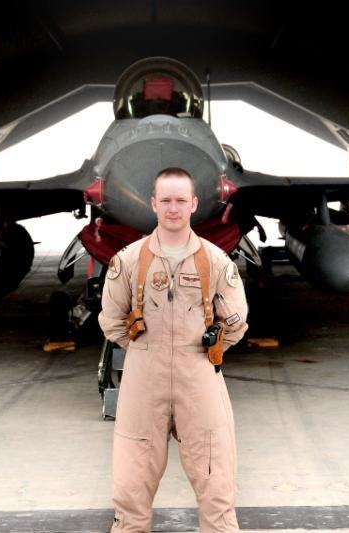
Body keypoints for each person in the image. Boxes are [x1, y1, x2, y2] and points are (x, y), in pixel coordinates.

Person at [98, 167, 249, 533]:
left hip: (198, 376)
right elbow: (112, 321)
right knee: (131, 490)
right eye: (165, 200)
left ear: (194, 204)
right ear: (153, 204)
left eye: (181, 200)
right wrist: (148, 350)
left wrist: (195, 353)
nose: (173, 208)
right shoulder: (129, 261)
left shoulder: (215, 262)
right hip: (143, 380)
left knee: (217, 487)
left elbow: (235, 322)